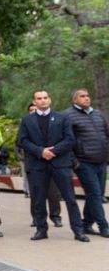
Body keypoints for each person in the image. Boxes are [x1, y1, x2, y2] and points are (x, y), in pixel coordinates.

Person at [18, 89, 89, 242]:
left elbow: (70, 139)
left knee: (70, 198)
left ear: (49, 100)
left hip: (60, 164)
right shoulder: (27, 121)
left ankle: (78, 230)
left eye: (45, 97)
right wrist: (40, 151)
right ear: (34, 102)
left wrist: (53, 151)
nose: (42, 100)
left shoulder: (62, 118)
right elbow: (22, 141)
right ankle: (41, 230)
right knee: (38, 199)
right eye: (39, 98)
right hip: (37, 165)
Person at [63, 88, 109, 237]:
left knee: (96, 194)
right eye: (82, 96)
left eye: (88, 96)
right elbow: (66, 140)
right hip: (83, 162)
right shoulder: (68, 116)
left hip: (101, 160)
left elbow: (106, 135)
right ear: (74, 100)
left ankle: (86, 224)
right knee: (95, 194)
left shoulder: (97, 114)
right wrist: (73, 160)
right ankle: (104, 226)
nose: (86, 98)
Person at [17, 103, 62, 226]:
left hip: (51, 162)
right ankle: (37, 218)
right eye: (30, 110)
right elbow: (20, 142)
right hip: (34, 163)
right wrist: (36, 152)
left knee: (53, 193)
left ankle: (56, 216)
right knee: (36, 194)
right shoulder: (26, 123)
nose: (33, 111)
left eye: (34, 109)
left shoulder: (51, 121)